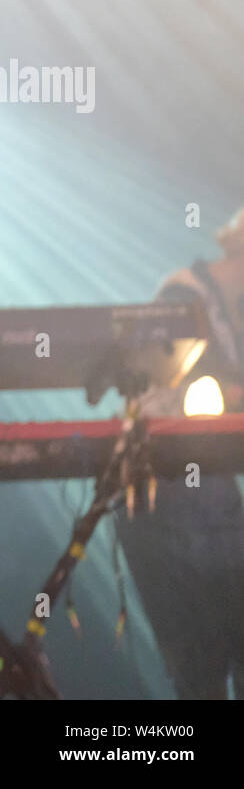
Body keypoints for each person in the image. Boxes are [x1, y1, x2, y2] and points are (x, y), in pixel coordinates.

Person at [114, 206, 244, 698]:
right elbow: (201, 396)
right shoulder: (183, 297)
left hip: (206, 494)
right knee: (202, 666)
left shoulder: (227, 312)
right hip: (168, 495)